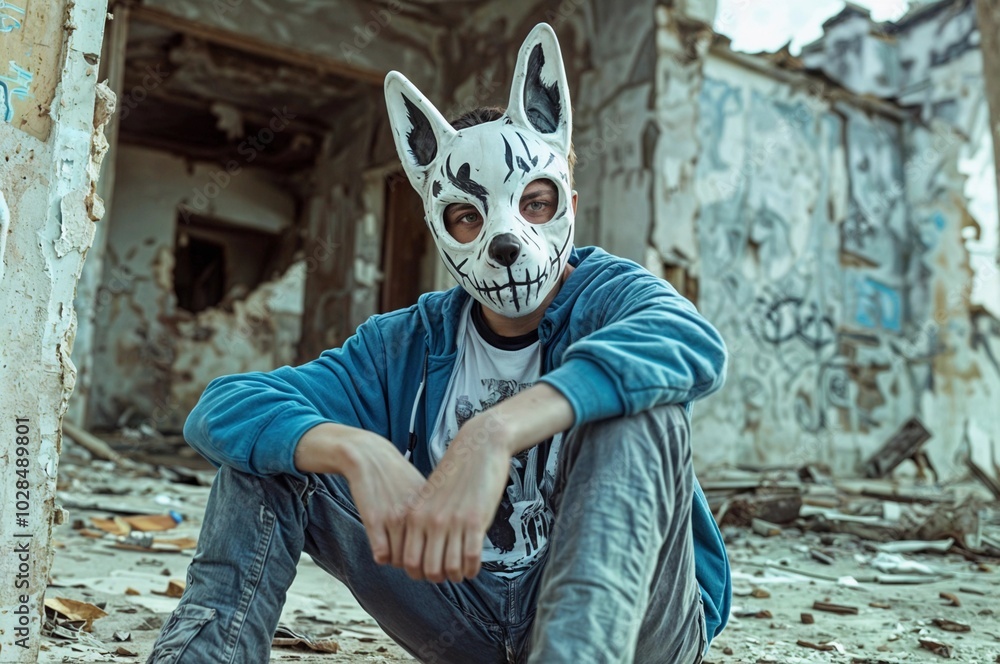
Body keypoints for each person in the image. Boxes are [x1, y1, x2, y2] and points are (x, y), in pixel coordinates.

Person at [146, 23, 730, 664]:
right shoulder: (405, 343)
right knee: (276, 448)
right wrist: (356, 448)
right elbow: (223, 408)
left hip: (632, 632)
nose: (506, 238)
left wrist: (494, 432)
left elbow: (689, 343)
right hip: (461, 616)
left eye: (534, 203)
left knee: (641, 410)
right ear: (438, 229)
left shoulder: (613, 297)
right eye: (467, 216)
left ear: (569, 200)